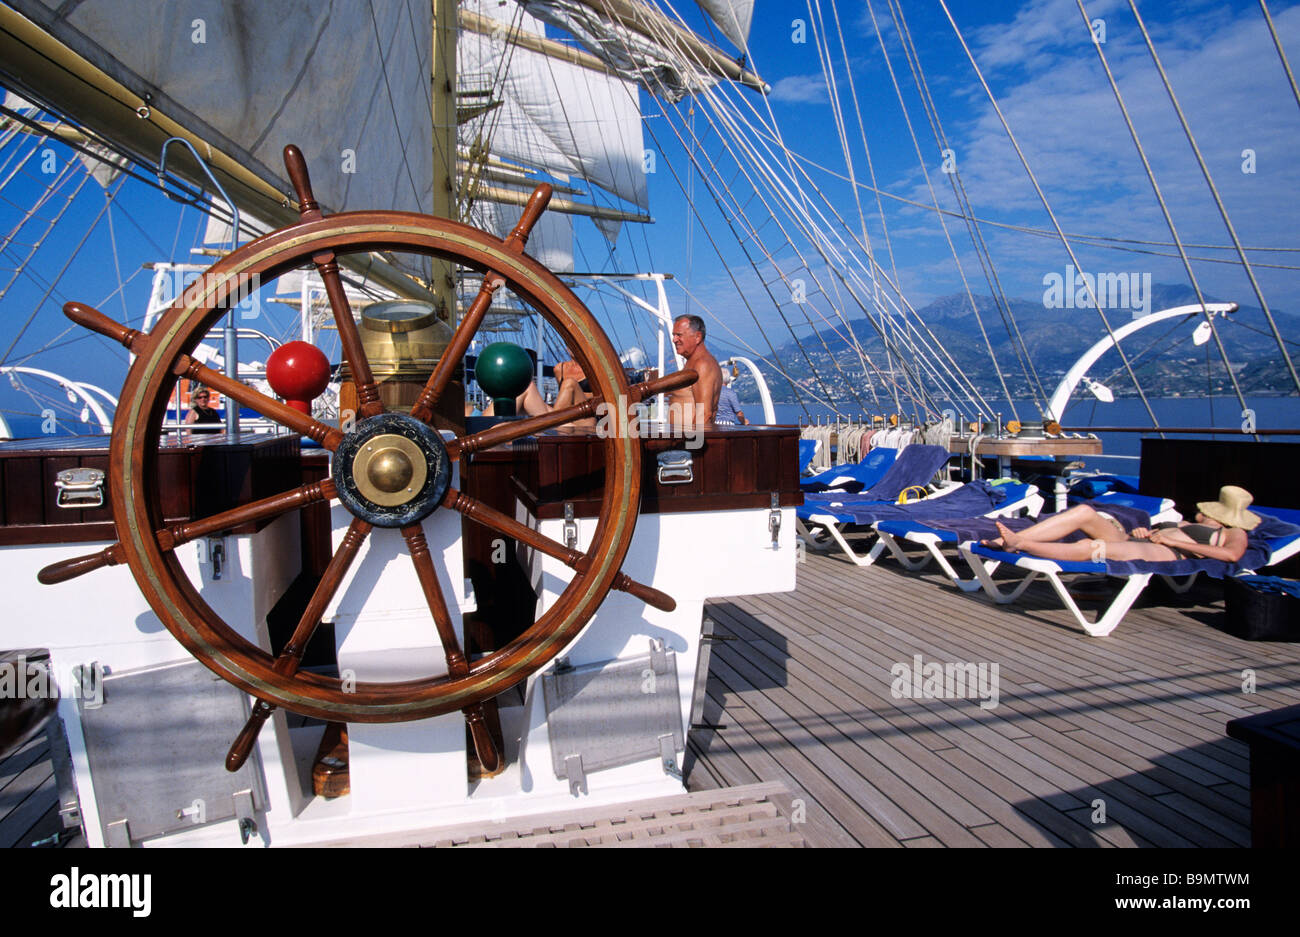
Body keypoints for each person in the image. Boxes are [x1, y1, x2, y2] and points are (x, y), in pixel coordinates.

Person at [983, 485, 1258, 564]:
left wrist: (1173, 541)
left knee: (1094, 547)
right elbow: (1154, 533)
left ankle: (1020, 544)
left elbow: (1231, 555)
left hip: (1170, 553)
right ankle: (1009, 540)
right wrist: (1148, 531)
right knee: (1084, 511)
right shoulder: (1184, 522)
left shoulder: (1233, 532)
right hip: (1140, 540)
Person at [668, 314, 721, 429]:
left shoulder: (702, 365)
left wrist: (691, 443)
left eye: (679, 335)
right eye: (674, 335)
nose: (674, 340)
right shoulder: (693, 363)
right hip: (680, 440)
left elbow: (705, 414)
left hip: (688, 443)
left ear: (697, 337)